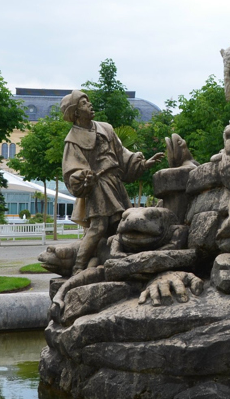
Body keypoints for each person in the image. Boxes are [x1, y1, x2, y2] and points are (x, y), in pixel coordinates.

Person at [61, 90, 164, 274]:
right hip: (97, 186)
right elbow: (72, 169)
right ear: (75, 112)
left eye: (88, 101)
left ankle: (121, 260)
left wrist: (143, 164)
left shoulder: (106, 128)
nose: (90, 105)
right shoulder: (73, 140)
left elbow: (122, 154)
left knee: (122, 224)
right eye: (84, 103)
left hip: (115, 183)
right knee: (98, 227)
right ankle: (78, 266)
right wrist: (84, 178)